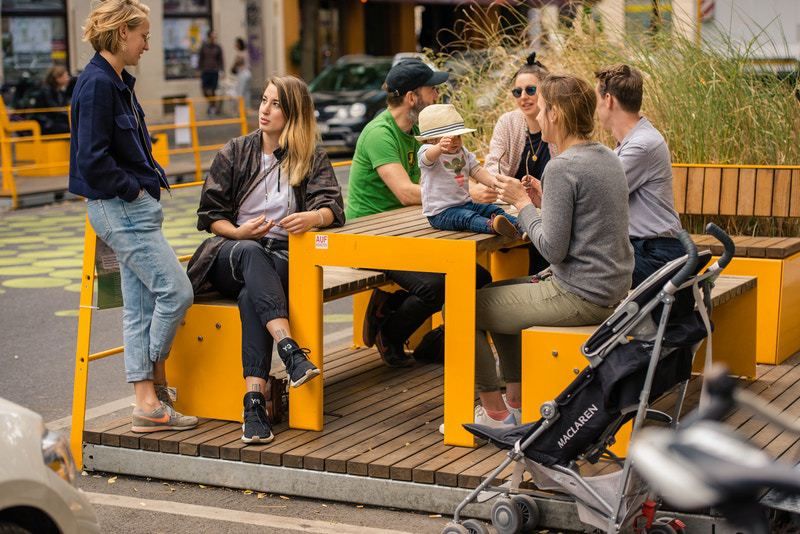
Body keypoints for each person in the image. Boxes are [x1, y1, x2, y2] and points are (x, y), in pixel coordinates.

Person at [466, 73, 634, 429]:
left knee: (463, 309)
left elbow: (552, 250)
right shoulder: (607, 156)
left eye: (542, 109)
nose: (537, 116)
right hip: (608, 289)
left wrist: (522, 202)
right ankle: (517, 400)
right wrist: (544, 203)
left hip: (580, 294)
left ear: (555, 113)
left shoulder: (562, 166)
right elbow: (585, 224)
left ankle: (495, 412)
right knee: (492, 293)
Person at [187, 75, 345, 444]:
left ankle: (254, 403)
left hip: (281, 258)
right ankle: (290, 352)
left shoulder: (309, 156)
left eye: (276, 104)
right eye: (263, 100)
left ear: (294, 114)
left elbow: (334, 208)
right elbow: (209, 215)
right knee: (250, 251)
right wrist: (239, 231)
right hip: (231, 252)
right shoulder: (235, 151)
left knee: (251, 296)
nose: (265, 110)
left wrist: (312, 217)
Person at [69, 0, 197, 433]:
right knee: (176, 292)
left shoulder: (115, 81)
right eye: (143, 35)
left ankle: (147, 405)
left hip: (129, 207)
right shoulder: (98, 84)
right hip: (121, 207)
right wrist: (133, 190)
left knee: (140, 308)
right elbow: (91, 160)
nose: (147, 44)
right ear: (122, 33)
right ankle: (156, 377)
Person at [346, 59, 492, 367]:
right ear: (413, 97)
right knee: (435, 287)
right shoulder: (380, 134)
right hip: (372, 236)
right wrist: (469, 193)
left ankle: (430, 339)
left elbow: (448, 177)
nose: (437, 95)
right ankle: (390, 333)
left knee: (478, 277)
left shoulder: (421, 133)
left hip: (408, 230)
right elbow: (404, 192)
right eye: (432, 89)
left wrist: (477, 185)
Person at [594, 64, 683, 288]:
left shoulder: (641, 145)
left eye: (597, 100)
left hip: (656, 255)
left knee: (580, 267)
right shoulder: (633, 141)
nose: (596, 109)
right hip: (647, 249)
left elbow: (597, 196)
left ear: (609, 100)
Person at [484, 52, 553, 274]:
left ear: (546, 92)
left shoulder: (558, 124)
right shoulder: (508, 123)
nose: (523, 97)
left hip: (548, 213)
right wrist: (501, 188)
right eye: (517, 92)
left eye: (531, 90)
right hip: (513, 211)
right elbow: (493, 168)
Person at [417, 103, 522, 239]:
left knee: (491, 209)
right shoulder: (428, 151)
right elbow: (426, 158)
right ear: (432, 139)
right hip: (440, 213)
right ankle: (492, 226)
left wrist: (493, 182)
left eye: (458, 137)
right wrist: (438, 148)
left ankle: (519, 225)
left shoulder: (462, 151)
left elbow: (476, 170)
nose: (456, 141)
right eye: (450, 138)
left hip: (465, 204)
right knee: (467, 217)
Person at [35, 65, 72, 134]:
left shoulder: (58, 91)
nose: (68, 79)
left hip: (54, 121)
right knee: (71, 128)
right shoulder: (46, 90)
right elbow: (54, 108)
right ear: (57, 78)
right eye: (66, 76)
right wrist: (69, 115)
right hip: (46, 123)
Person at [198, 30, 224, 115]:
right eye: (213, 36)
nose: (214, 38)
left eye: (215, 37)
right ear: (209, 37)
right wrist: (199, 69)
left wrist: (221, 70)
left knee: (213, 90)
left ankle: (212, 107)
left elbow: (221, 60)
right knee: (204, 89)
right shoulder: (204, 47)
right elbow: (200, 59)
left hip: (214, 71)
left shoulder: (218, 47)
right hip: (205, 70)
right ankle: (211, 104)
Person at [230, 37, 252, 110]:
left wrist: (233, 66)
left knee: (240, 92)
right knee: (247, 92)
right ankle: (247, 108)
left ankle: (241, 109)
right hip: (248, 73)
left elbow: (237, 63)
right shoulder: (246, 52)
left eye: (236, 43)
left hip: (243, 73)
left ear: (239, 44)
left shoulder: (240, 54)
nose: (235, 45)